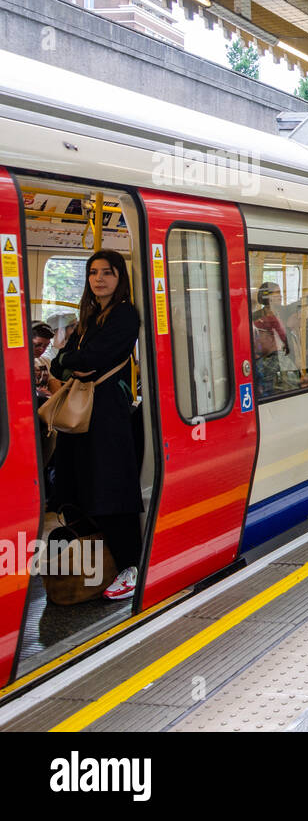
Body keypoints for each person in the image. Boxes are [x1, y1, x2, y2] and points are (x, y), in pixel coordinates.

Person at [48, 250, 143, 601]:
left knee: (111, 488)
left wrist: (72, 360)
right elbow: (61, 363)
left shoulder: (124, 315)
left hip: (106, 414)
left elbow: (93, 357)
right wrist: (72, 362)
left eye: (108, 272)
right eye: (93, 273)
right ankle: (99, 556)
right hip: (81, 417)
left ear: (120, 278)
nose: (99, 279)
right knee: (77, 485)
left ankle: (131, 565)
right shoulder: (88, 318)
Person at [253, 281, 297, 395]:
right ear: (268, 297)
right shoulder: (256, 316)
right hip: (268, 359)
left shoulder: (285, 312)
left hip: (286, 355)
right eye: (277, 293)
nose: (280, 296)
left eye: (280, 292)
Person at [31, 321, 54, 400]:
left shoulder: (46, 361)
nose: (42, 349)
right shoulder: (14, 364)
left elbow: (56, 389)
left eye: (46, 346)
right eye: (38, 345)